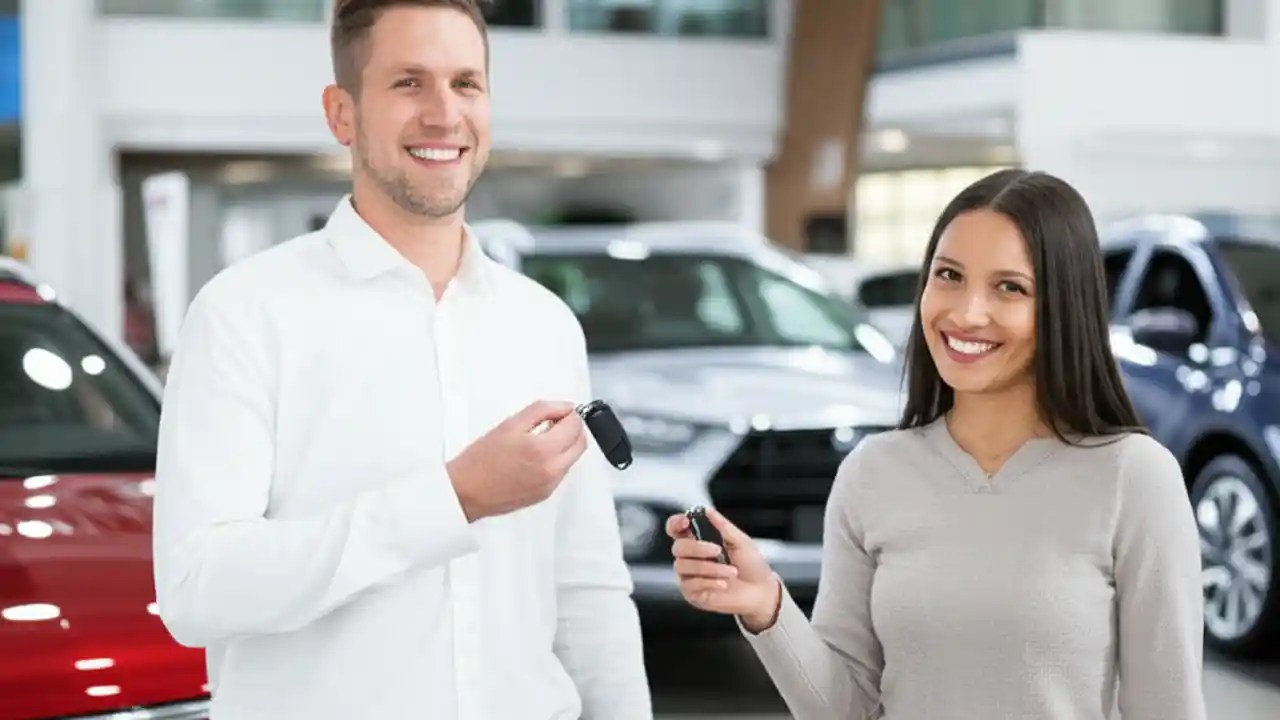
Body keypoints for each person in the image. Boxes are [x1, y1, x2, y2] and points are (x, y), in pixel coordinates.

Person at [151, 1, 652, 718]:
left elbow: (586, 588)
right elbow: (198, 591)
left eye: (466, 84)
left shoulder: (543, 324)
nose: (445, 114)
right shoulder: (243, 314)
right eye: (409, 83)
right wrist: (453, 498)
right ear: (342, 114)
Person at [668, 169, 1207, 719]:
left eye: (1009, 287)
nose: (967, 312)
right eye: (949, 275)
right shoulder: (873, 473)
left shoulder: (1133, 477)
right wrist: (767, 607)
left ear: (1064, 308)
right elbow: (844, 710)